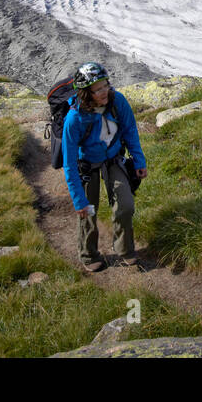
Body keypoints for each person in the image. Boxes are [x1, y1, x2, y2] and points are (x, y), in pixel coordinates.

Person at [62, 62, 148, 272]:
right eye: (98, 89)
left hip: (113, 159)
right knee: (88, 210)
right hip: (87, 166)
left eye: (106, 85)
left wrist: (138, 160)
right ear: (85, 93)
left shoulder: (117, 101)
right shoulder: (74, 118)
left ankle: (125, 249)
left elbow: (129, 130)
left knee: (125, 205)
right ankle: (89, 254)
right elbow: (69, 162)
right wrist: (78, 199)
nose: (104, 91)